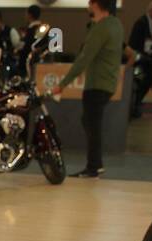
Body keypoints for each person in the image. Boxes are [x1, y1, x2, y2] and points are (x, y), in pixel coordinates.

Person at [57, 0, 124, 178]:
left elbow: (84, 58)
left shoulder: (100, 29)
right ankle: (95, 164)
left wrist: (62, 84)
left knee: (92, 124)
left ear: (95, 4)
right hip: (108, 82)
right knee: (89, 122)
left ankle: (94, 166)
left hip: (96, 84)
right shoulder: (116, 25)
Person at [127, 1, 152, 118]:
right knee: (142, 82)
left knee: (147, 81)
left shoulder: (150, 24)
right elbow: (135, 42)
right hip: (140, 59)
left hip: (146, 59)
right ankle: (134, 105)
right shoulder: (141, 23)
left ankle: (136, 104)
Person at [19, 4, 45, 74]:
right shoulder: (42, 28)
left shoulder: (31, 29)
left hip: (29, 61)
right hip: (40, 60)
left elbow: (28, 45)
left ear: (29, 15)